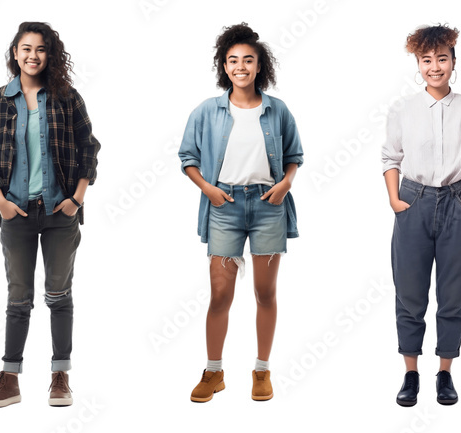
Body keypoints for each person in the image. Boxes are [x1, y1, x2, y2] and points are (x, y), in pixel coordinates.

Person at [0, 21, 100, 408]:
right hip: (16, 214)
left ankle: (60, 376)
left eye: (41, 49)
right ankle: (10, 379)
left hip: (61, 212)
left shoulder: (66, 98)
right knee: (18, 298)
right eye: (26, 48)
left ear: (50, 55)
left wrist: (76, 199)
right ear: (15, 53)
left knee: (59, 295)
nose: (33, 55)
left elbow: (88, 148)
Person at [178, 23, 303, 403]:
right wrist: (208, 189)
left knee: (265, 293)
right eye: (233, 60)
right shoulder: (207, 111)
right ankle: (213, 372)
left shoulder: (277, 110)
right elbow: (187, 157)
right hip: (224, 207)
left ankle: (262, 371)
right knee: (220, 295)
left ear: (260, 65)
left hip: (268, 206)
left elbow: (294, 155)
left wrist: (286, 183)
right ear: (224, 66)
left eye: (248, 60)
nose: (241, 67)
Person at [382, 24, 461, 407]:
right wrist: (395, 200)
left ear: (453, 62)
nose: (434, 67)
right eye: (426, 60)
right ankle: (411, 373)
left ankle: (445, 372)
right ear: (418, 64)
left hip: (459, 201)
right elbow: (391, 158)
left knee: (452, 293)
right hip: (413, 200)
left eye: (441, 59)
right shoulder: (403, 109)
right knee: (409, 292)